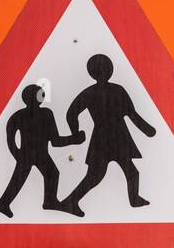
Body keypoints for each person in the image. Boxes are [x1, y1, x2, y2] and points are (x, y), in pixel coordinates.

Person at [58, 54, 156, 217]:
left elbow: (71, 114)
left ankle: (134, 199)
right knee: (96, 176)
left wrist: (76, 132)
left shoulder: (93, 92)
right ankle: (70, 202)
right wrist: (147, 130)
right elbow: (132, 115)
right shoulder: (116, 90)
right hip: (112, 137)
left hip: (109, 137)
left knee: (129, 172)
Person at [0, 83, 81, 218]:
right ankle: (4, 204)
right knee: (21, 179)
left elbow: (54, 141)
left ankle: (49, 201)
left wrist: (16, 153)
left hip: (37, 154)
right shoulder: (35, 114)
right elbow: (10, 137)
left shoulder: (33, 114)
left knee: (51, 174)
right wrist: (74, 139)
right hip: (30, 154)